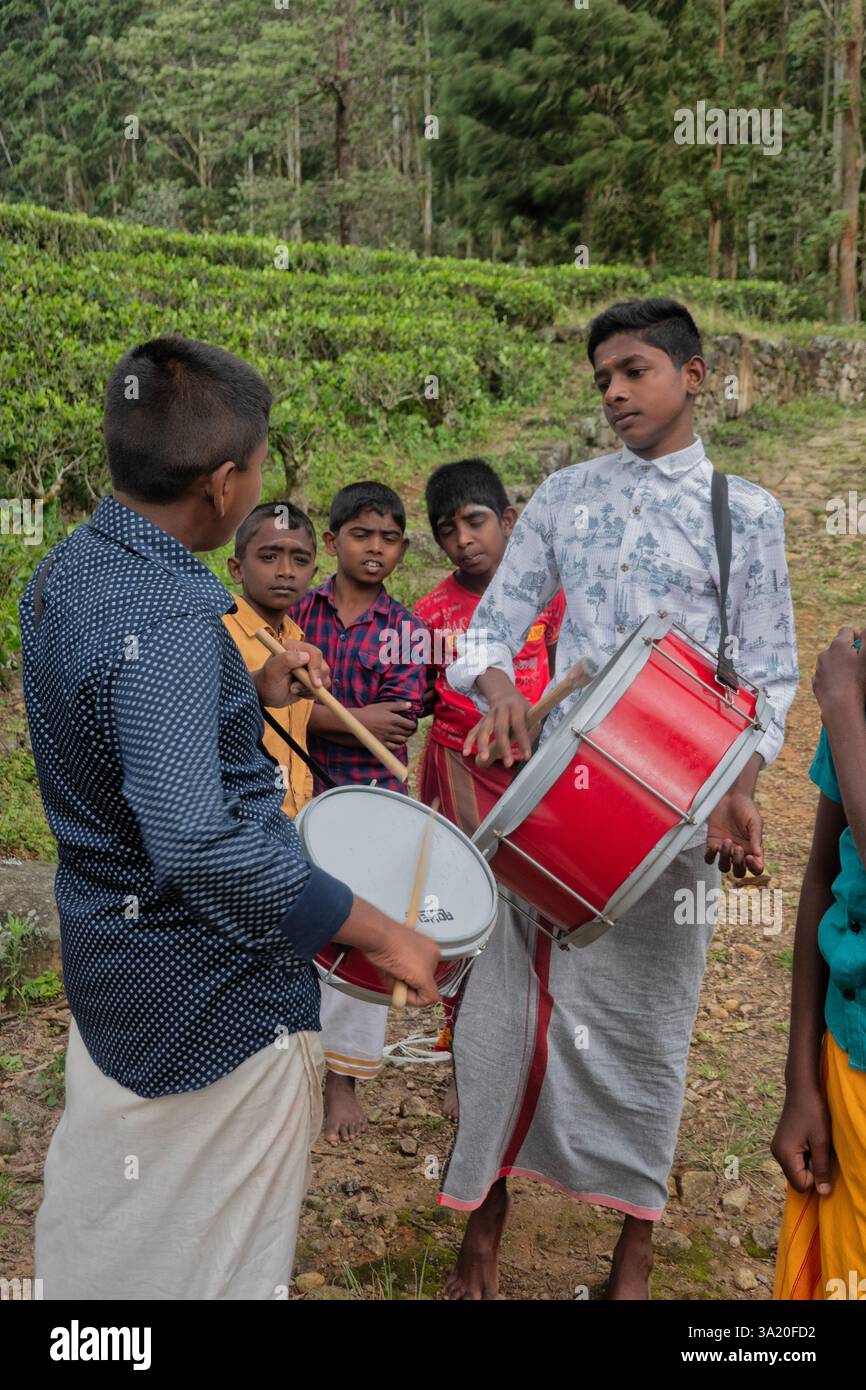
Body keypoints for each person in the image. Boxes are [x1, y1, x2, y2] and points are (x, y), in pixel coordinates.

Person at [21, 337, 439, 1300]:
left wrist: (243, 686)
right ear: (220, 484)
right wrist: (383, 935)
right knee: (206, 1256)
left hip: (113, 962)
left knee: (113, 1214)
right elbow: (200, 842)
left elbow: (121, 729)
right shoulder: (169, 618)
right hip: (207, 997)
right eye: (256, 474)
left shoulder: (69, 570)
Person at [437, 298, 799, 1299]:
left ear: (692, 374)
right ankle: (481, 1231)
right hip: (556, 801)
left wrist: (740, 783)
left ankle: (630, 1256)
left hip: (676, 816)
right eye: (601, 377)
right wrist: (502, 686)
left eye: (633, 370)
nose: (612, 392)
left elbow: (767, 677)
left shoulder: (748, 514)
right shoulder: (561, 496)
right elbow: (489, 628)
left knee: (648, 1025)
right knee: (503, 1015)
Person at [413, 457, 565, 1118]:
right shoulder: (430, 614)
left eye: (475, 521)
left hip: (537, 778)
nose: (463, 540)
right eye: (447, 531)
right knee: (462, 915)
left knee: (541, 914)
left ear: (508, 520)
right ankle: (464, 1057)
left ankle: (539, 1052)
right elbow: (415, 697)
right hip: (457, 778)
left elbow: (564, 674)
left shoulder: (549, 597)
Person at [290, 481, 428, 1143]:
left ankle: (342, 1076)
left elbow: (396, 724)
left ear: (402, 548)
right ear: (333, 538)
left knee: (360, 933)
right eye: (362, 535)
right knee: (292, 924)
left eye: (390, 538)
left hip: (373, 804)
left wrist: (310, 714)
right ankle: (291, 1061)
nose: (376, 548)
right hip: (298, 794)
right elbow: (269, 703)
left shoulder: (407, 629)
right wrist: (348, 716)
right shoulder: (297, 612)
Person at [772, 626, 866, 1300]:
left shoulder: (848, 696)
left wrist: (841, 712)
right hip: (846, 1052)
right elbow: (822, 874)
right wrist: (800, 1078)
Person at [222, 500, 318, 818]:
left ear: (313, 573)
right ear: (237, 568)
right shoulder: (218, 632)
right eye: (269, 557)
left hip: (295, 813)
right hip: (243, 817)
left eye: (300, 560)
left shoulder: (297, 640)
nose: (286, 571)